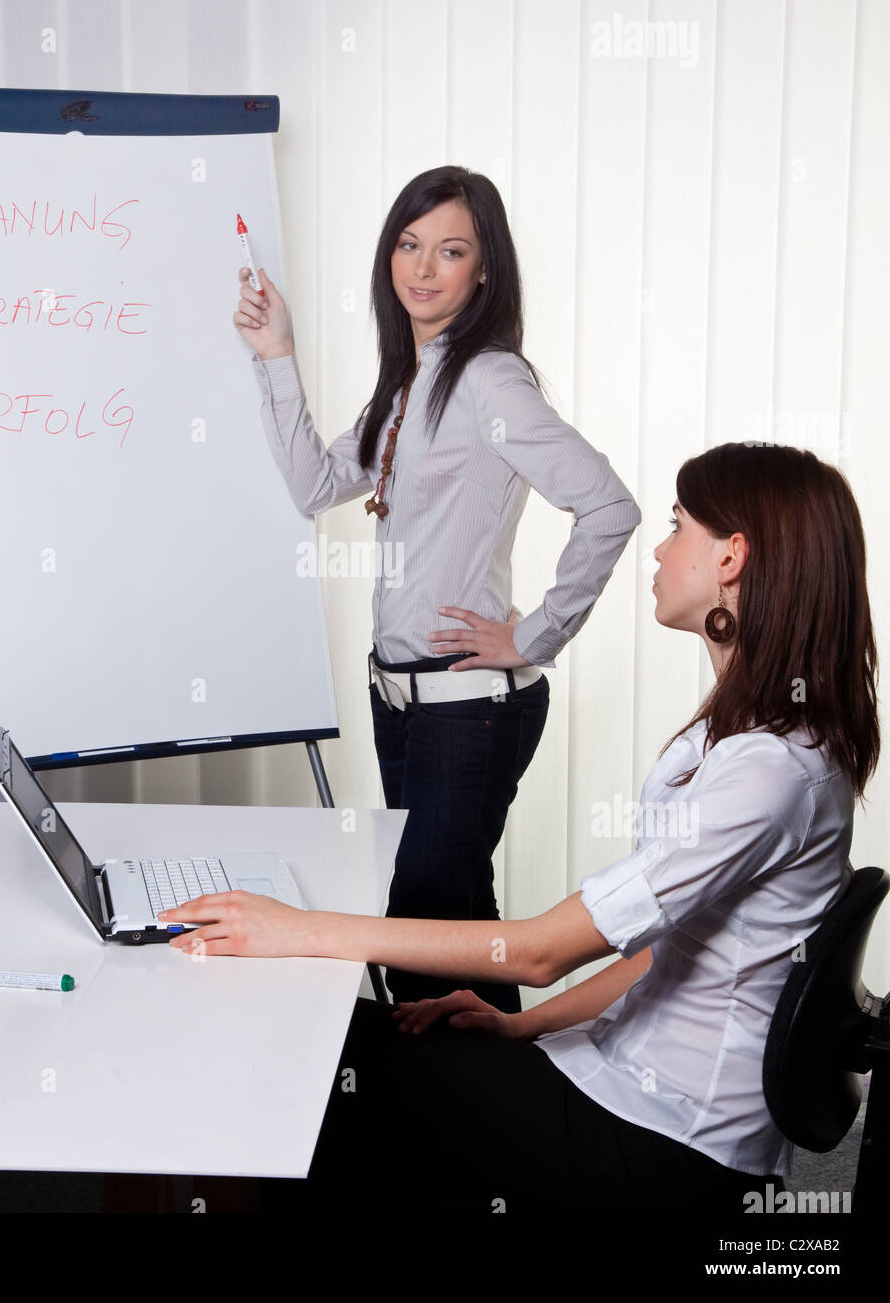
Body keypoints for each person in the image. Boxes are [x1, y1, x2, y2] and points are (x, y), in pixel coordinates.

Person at [158, 442, 880, 1213]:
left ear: (730, 558)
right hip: (612, 1080)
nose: (661, 550)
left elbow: (538, 951)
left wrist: (298, 930)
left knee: (302, 1065)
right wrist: (519, 1029)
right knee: (330, 1045)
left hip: (665, 1148)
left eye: (677, 528)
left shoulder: (768, 774)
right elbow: (660, 957)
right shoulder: (748, 739)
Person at [235, 165, 640, 1012]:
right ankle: (497, 1104)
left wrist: (535, 636)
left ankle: (455, 1118)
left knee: (423, 925)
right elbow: (317, 487)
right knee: (453, 918)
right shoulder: (409, 379)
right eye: (409, 246)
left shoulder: (489, 381)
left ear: (483, 269)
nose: (422, 268)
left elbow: (607, 504)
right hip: (404, 704)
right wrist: (277, 354)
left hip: (468, 708)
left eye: (450, 251)